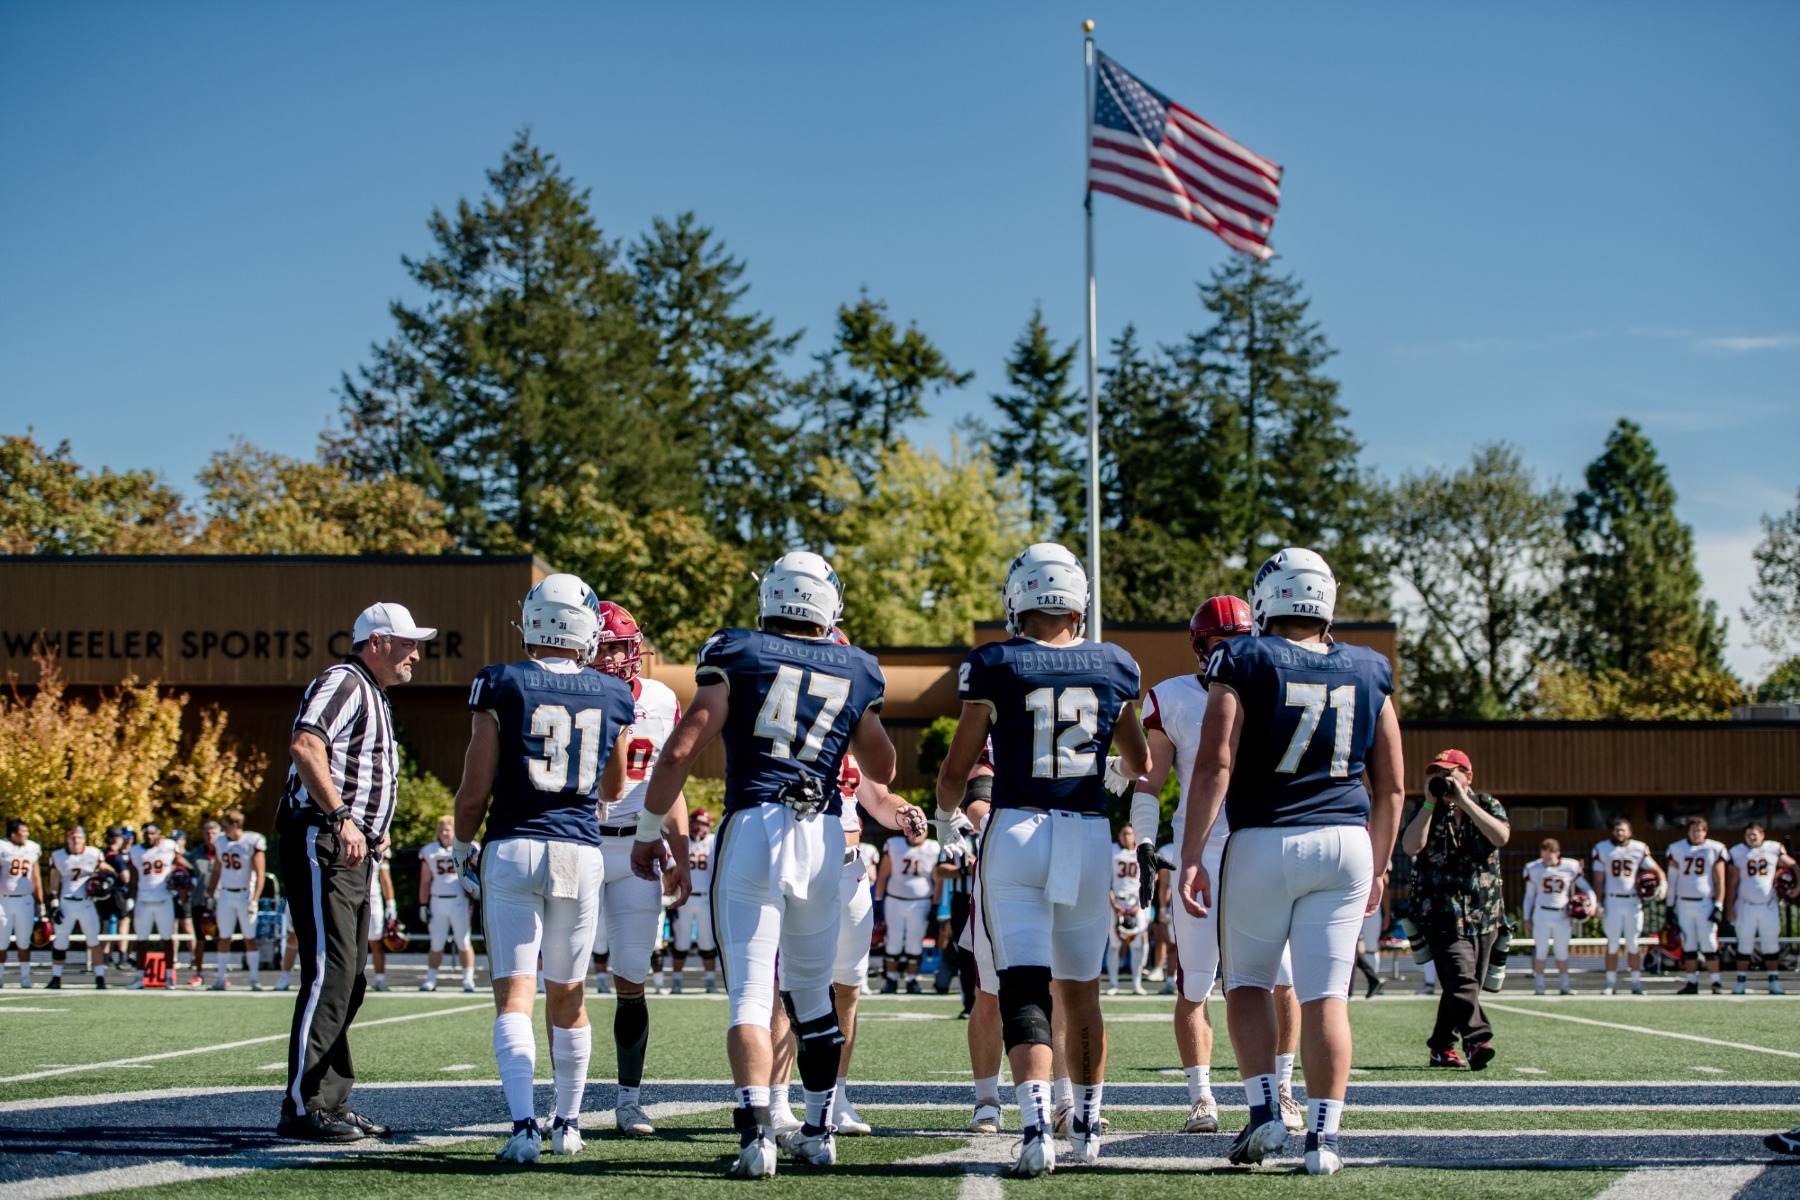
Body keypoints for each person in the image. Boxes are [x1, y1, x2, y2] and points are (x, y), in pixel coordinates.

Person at [633, 550, 897, 1179]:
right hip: (825, 833)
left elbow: (679, 751)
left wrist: (650, 831)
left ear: (772, 598)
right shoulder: (857, 665)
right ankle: (818, 1128)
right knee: (813, 995)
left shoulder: (738, 651)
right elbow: (881, 768)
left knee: (751, 997)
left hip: (755, 823)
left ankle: (757, 1138)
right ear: (827, 605)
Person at [1177, 547, 1404, 1177]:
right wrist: (1380, 865)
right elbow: (1392, 787)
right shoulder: (1368, 666)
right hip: (1346, 844)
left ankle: (1263, 1117)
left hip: (1266, 838)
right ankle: (1325, 1139)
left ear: (1268, 597)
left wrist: (1192, 853)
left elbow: (1216, 763)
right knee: (1326, 994)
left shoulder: (1243, 656)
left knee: (1247, 981)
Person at [933, 542, 1148, 1177]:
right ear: (1078, 603)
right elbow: (1139, 765)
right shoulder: (1114, 664)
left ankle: (1033, 1130)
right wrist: (1108, 765)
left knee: (1024, 982)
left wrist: (947, 819)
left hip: (1018, 828)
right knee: (1081, 989)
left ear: (1018, 600)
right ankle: (1085, 1125)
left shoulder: (995, 663)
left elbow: (956, 769)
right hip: (1084, 831)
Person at [451, 574, 634, 1163]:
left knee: (513, 996)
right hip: (579, 850)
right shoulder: (612, 692)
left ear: (531, 620)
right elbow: (613, 784)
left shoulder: (499, 682)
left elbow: (474, 791)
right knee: (569, 994)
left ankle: (523, 1126)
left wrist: (459, 846)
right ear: (586, 629)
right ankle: (571, 1123)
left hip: (513, 845)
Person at [1135, 596, 1305, 1135]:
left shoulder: (1277, 686)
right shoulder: (1172, 697)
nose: (1227, 652)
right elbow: (1149, 778)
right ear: (1198, 646)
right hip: (1201, 850)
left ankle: (1282, 1086)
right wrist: (1144, 840)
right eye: (1217, 643)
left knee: (1281, 979)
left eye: (1238, 642)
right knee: (1195, 982)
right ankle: (1202, 1097)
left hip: (1262, 842)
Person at [277, 600, 433, 1143]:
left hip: (348, 847)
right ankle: (303, 1106)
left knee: (350, 977)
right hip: (323, 840)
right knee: (331, 971)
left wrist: (370, 827)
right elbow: (305, 744)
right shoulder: (345, 680)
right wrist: (341, 816)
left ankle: (329, 1098)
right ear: (377, 643)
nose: (417, 651)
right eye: (408, 641)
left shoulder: (374, 693)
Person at [588, 599, 691, 1139]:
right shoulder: (569, 692)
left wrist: (680, 850)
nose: (617, 657)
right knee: (564, 978)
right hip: (579, 843)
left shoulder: (659, 698)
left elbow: (665, 783)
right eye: (604, 647)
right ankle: (565, 1102)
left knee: (633, 973)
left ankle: (629, 1100)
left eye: (622, 647)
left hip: (638, 847)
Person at [1403, 749, 1510, 1070]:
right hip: (1439, 912)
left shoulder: (1487, 804)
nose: (1443, 779)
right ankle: (1477, 1040)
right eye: (1436, 774)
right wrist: (1428, 804)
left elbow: (1501, 836)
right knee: (1461, 978)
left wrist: (1465, 801)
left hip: (1484, 912)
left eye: (1449, 773)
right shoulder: (1427, 809)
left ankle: (1441, 1047)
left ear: (1468, 776)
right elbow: (1410, 846)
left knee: (1463, 986)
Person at [1590, 817, 1664, 996]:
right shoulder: (1603, 848)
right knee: (1613, 944)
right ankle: (1610, 983)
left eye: (1623, 830)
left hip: (1633, 901)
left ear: (1630, 832)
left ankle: (1636, 983)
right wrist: (1598, 902)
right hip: (1612, 901)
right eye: (1617, 830)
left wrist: (1663, 883)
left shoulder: (1639, 848)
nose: (1620, 833)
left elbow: (1656, 870)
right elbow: (1599, 878)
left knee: (1633, 943)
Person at [875, 811, 939, 995]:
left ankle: (912, 980)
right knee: (893, 941)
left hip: (921, 901)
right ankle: (891, 979)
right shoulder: (894, 845)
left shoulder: (933, 848)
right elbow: (883, 874)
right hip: (894, 900)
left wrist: (935, 904)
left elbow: (938, 880)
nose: (916, 833)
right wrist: (878, 899)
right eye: (913, 829)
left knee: (914, 942)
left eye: (921, 828)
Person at [1726, 823, 1794, 995]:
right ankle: (1741, 982)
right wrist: (1729, 907)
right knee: (1744, 944)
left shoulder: (1773, 848)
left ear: (1762, 835)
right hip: (1745, 905)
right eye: (1748, 834)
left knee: (1770, 945)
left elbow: (1793, 866)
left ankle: (1773, 981)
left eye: (1755, 834)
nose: (1752, 837)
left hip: (1768, 905)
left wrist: (1797, 888)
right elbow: (1732, 883)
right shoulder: (1738, 852)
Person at [1666, 817, 1729, 995]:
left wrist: (1718, 906)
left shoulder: (1714, 848)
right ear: (1688, 831)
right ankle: (1692, 982)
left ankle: (1716, 982)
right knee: (1689, 944)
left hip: (1705, 903)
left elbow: (1720, 881)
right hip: (1684, 903)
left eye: (1700, 830)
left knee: (1709, 942)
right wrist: (1670, 906)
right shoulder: (1677, 848)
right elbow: (1672, 881)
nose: (1696, 833)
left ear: (1705, 832)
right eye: (1693, 830)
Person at [1521, 837, 1592, 995]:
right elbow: (1529, 896)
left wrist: (1592, 903)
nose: (1546, 860)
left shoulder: (1570, 866)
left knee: (1562, 951)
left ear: (1557, 854)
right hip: (1541, 914)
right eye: (1544, 855)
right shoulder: (1534, 868)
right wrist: (1526, 917)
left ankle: (1564, 985)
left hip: (1562, 915)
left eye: (1550, 856)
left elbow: (1586, 887)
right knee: (1541, 950)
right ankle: (1539, 986)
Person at [126, 823, 191, 989]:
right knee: (141, 940)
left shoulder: (169, 846)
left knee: (167, 939)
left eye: (152, 833)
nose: (149, 836)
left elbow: (180, 861)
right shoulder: (135, 851)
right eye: (146, 833)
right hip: (143, 900)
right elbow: (133, 878)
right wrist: (131, 899)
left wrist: (192, 872)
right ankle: (140, 977)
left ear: (159, 834)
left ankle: (169, 977)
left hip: (164, 900)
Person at [209, 810, 268, 990]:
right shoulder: (220, 842)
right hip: (226, 894)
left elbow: (260, 874)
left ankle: (254, 980)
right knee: (223, 937)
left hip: (245, 895)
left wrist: (255, 899)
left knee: (249, 938)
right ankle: (220, 979)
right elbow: (217, 870)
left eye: (225, 825)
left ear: (234, 824)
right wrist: (211, 894)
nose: (223, 829)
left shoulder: (251, 841)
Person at [48, 826, 113, 988]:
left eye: (79, 837)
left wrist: (108, 881)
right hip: (66, 903)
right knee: (60, 941)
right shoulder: (58, 856)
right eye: (72, 838)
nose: (76, 841)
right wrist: (54, 906)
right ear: (67, 839)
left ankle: (100, 978)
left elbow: (110, 871)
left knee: (93, 940)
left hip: (86, 904)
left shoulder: (93, 854)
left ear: (84, 839)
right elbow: (53, 884)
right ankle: (56, 978)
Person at [418, 817, 476, 993]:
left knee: (463, 941)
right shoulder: (430, 850)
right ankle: (431, 979)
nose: (444, 833)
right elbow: (425, 880)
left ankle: (468, 979)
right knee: (436, 942)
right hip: (437, 900)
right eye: (442, 829)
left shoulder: (466, 846)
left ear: (455, 830)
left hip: (460, 900)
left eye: (448, 829)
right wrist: (422, 904)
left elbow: (480, 866)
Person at [668, 807, 718, 992]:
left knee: (707, 942)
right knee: (681, 942)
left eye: (703, 824)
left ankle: (710, 982)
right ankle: (677, 982)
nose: (699, 827)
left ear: (709, 825)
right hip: (684, 899)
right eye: (695, 823)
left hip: (706, 899)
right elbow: (670, 868)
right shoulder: (682, 842)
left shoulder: (713, 842)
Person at [0, 819, 45, 988]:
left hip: (25, 900)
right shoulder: (2, 847)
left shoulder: (32, 848)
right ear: (13, 834)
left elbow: (36, 877)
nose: (26, 834)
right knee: (1, 942)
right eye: (22, 832)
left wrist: (41, 903)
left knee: (24, 942)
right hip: (4, 900)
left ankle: (25, 978)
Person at [1105, 824, 1147, 996]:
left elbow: (1149, 880)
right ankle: (1113, 983)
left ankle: (1136, 983)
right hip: (1117, 901)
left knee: (1137, 945)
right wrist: (1114, 904)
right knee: (1114, 944)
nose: (1126, 837)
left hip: (1137, 903)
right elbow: (1106, 879)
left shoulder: (1142, 853)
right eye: (1123, 834)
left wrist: (1139, 905)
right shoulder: (1113, 852)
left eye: (1130, 834)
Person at [366, 856, 398, 991]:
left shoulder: (380, 843)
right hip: (351, 897)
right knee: (350, 943)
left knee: (376, 941)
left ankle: (380, 980)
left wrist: (391, 904)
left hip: (373, 898)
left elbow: (385, 878)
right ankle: (348, 980)